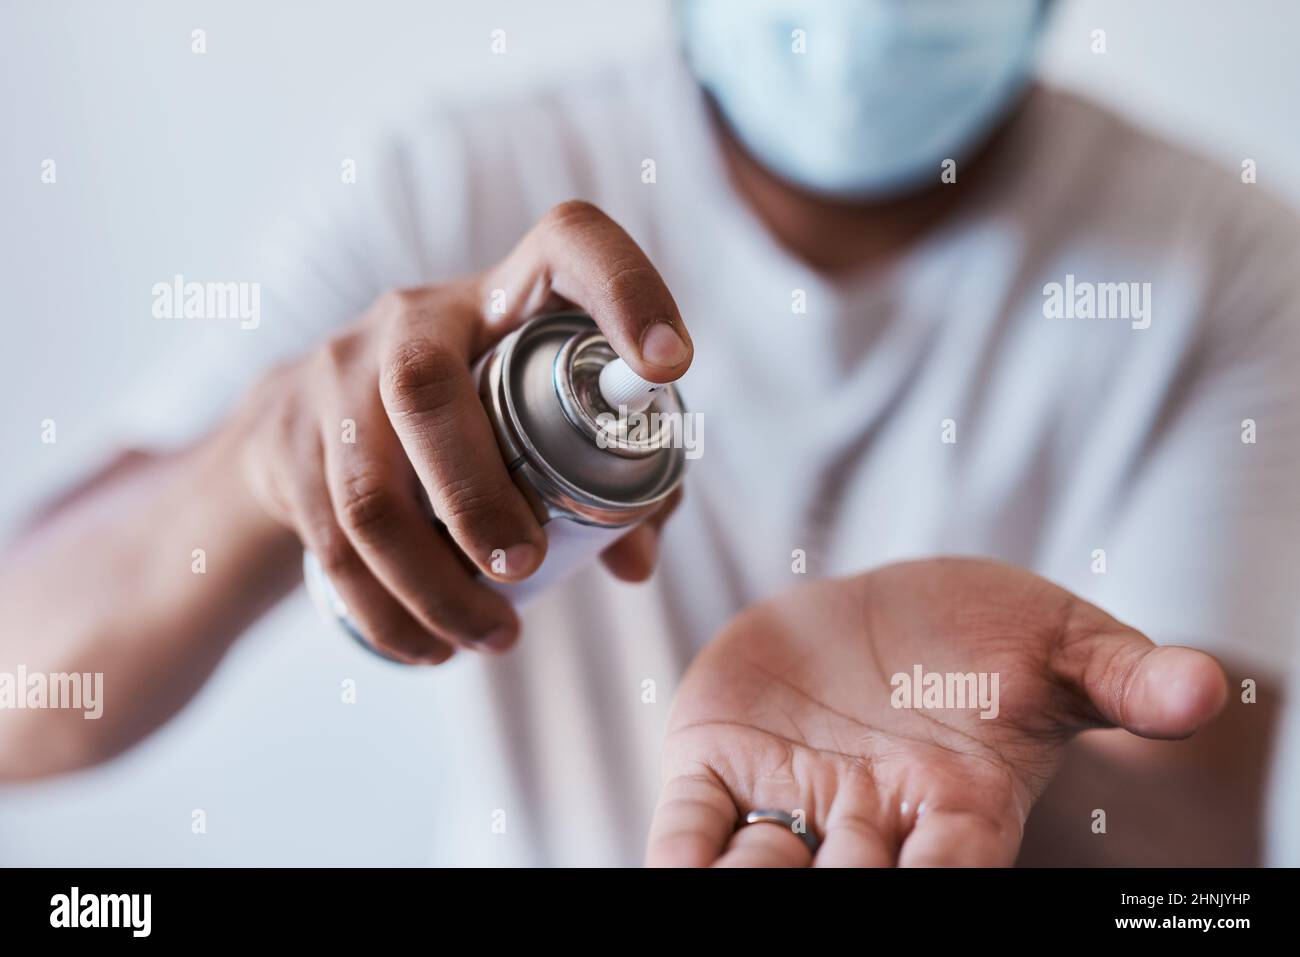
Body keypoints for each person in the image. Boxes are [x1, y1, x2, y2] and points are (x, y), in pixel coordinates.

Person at [1, 0, 1297, 866]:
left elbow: (1194, 858)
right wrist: (256, 463)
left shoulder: (1230, 262)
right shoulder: (452, 184)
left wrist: (1003, 753)